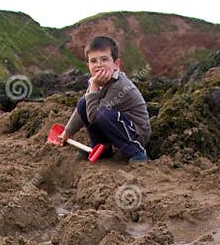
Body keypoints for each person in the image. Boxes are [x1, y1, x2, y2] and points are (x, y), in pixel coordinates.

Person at [57, 35, 151, 163]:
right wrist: (67, 132)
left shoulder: (119, 85)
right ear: (88, 65)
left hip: (136, 133)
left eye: (104, 59)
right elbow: (83, 109)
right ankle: (102, 148)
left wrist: (94, 87)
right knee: (84, 103)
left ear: (116, 64)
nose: (99, 65)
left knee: (103, 114)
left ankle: (137, 152)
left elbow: (94, 118)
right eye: (93, 61)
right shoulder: (95, 82)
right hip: (117, 128)